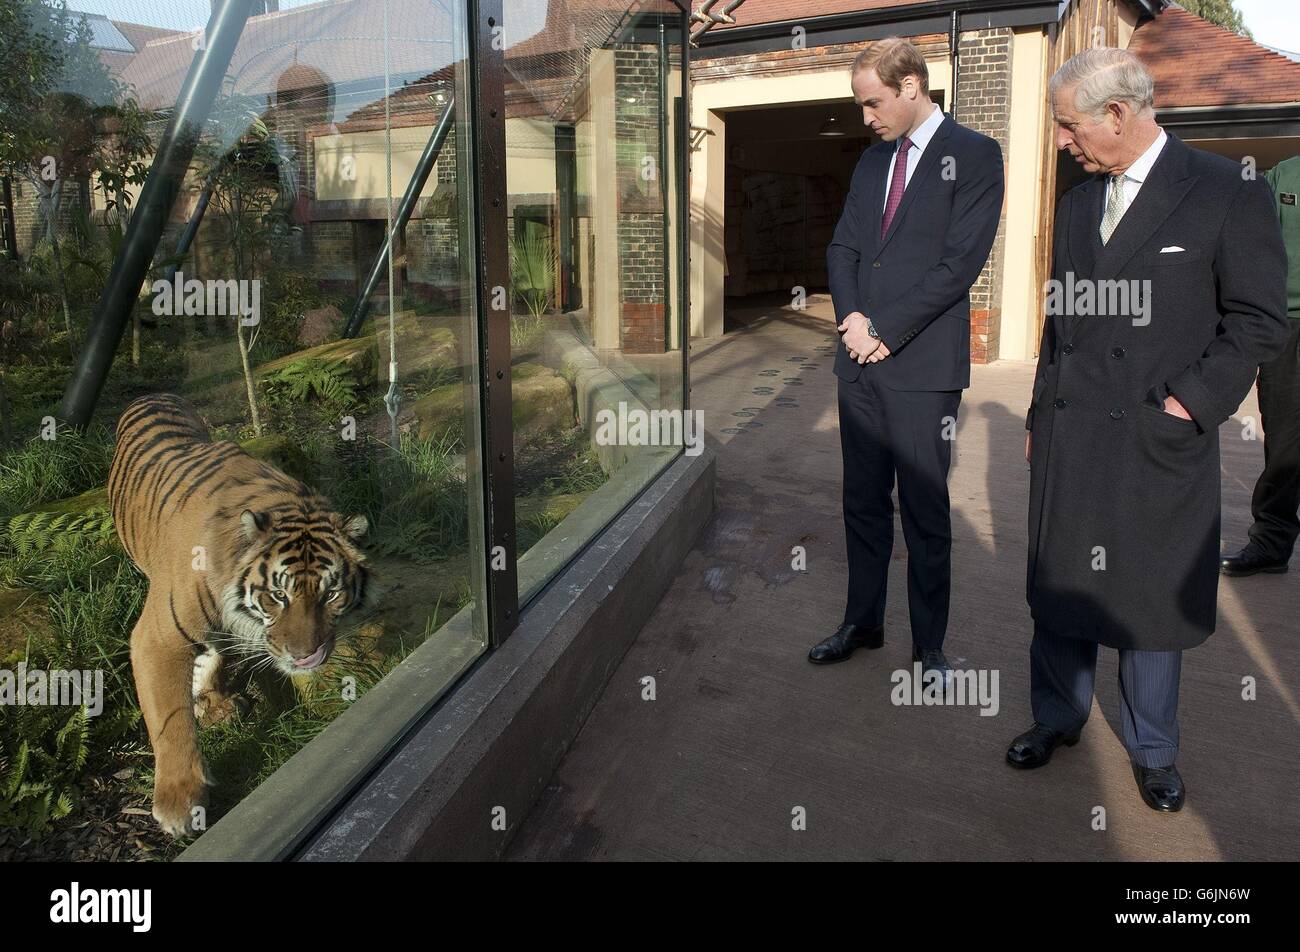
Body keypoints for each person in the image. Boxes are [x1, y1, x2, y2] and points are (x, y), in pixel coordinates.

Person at [1013, 47, 1290, 812]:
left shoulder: (1225, 191)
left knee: (1147, 590)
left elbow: (1258, 321)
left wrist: (1191, 404)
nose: (1063, 141)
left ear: (1118, 115)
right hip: (1073, 430)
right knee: (1062, 577)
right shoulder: (1076, 200)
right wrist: (1041, 410)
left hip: (1155, 430)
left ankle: (1153, 748)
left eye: (1069, 126)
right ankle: (1057, 717)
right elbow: (1059, 321)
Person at [809, 37, 1004, 680]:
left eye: (874, 103)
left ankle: (930, 648)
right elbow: (843, 249)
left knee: (924, 510)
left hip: (920, 368)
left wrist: (885, 329)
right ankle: (862, 623)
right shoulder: (872, 164)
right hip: (857, 362)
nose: (867, 117)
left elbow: (959, 266)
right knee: (861, 502)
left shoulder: (974, 155)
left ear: (912, 84)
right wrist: (852, 319)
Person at [1220, 153, 1300, 577]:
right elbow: (1255, 244)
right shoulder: (1282, 175)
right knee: (1285, 441)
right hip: (1287, 325)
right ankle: (1271, 542)